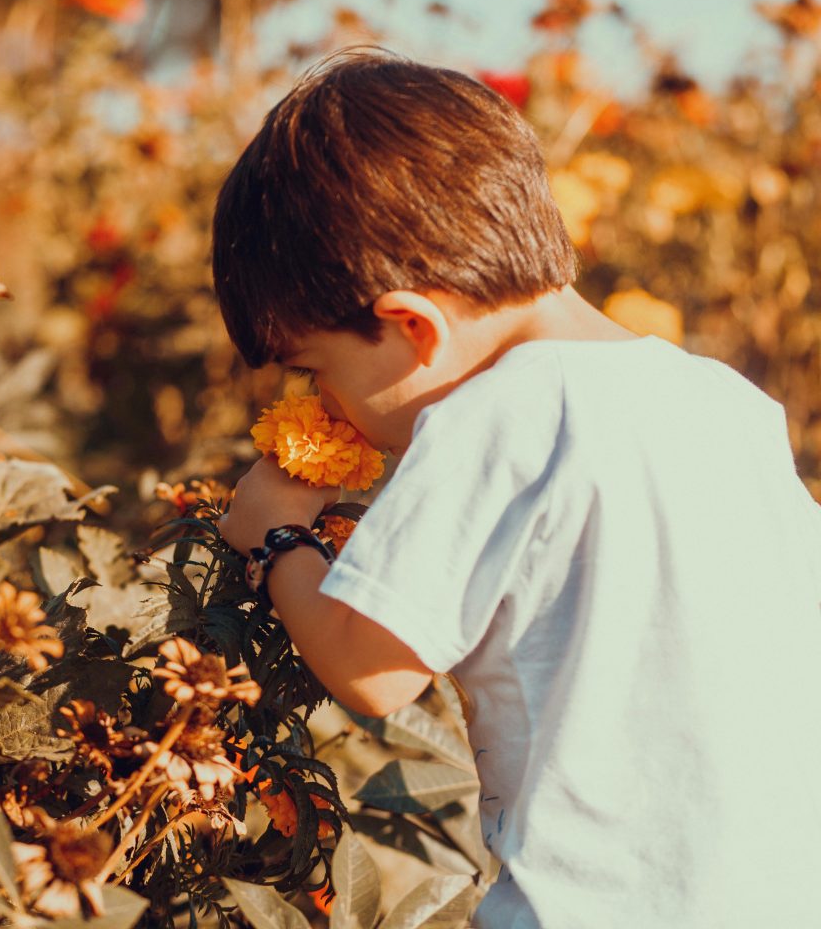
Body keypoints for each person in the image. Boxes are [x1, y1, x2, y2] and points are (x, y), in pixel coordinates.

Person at [211, 50, 821, 928]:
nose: (321, 401)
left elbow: (370, 671)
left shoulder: (495, 416)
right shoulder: (727, 403)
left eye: (315, 370)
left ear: (412, 326)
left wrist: (276, 539)